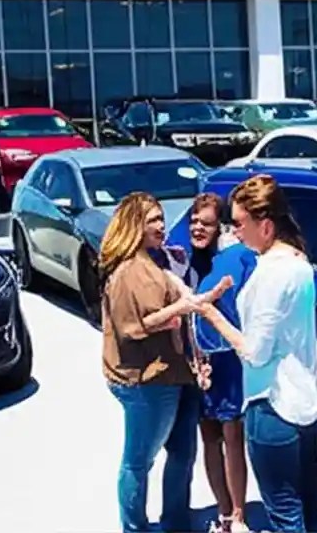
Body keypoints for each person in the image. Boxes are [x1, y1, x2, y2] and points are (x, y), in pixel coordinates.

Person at [194, 174, 317, 533]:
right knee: (313, 503)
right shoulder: (300, 263)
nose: (234, 232)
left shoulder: (272, 273)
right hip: (304, 401)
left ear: (265, 225)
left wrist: (210, 313)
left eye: (239, 224)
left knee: (285, 514)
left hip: (272, 405)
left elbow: (254, 351)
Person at [98, 191, 229, 533]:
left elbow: (179, 307)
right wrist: (180, 310)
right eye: (153, 220)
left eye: (161, 218)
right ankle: (135, 527)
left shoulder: (155, 261)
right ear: (134, 226)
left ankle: (176, 522)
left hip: (177, 373)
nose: (162, 225)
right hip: (145, 380)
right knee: (138, 462)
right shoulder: (127, 271)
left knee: (184, 453)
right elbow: (130, 328)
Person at [188, 192, 255, 533]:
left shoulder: (237, 257)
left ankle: (240, 514)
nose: (198, 228)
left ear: (222, 227)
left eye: (207, 223)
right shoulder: (185, 260)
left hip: (228, 360)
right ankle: (224, 514)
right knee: (208, 437)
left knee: (232, 437)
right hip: (197, 360)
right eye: (194, 221)